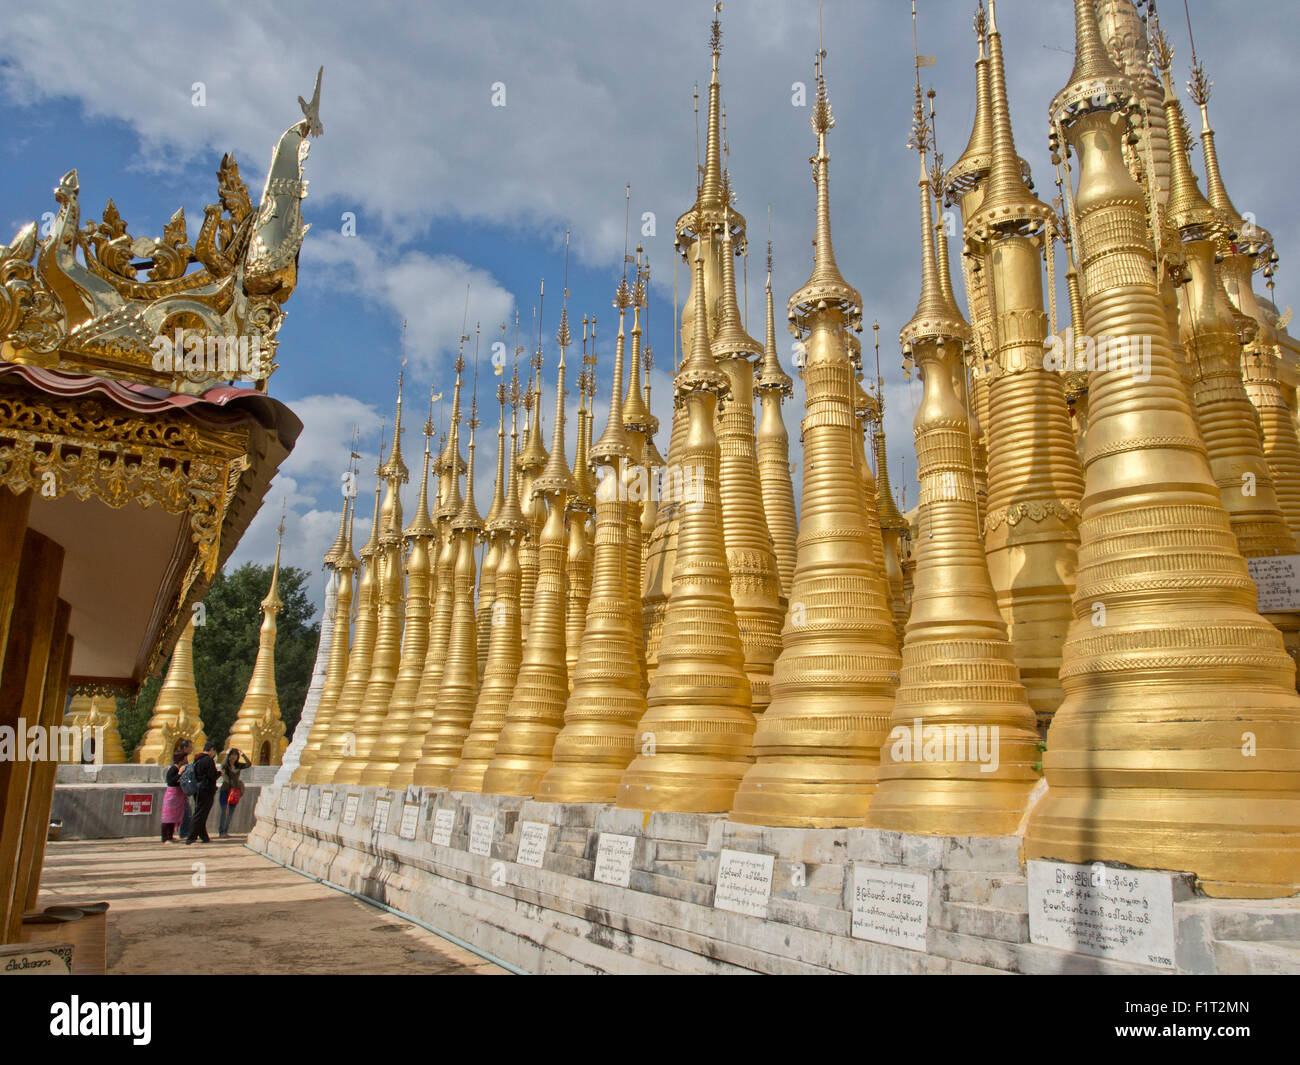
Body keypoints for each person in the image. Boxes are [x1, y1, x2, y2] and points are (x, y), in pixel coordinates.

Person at [185, 742, 220, 844]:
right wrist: (219, 773)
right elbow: (212, 776)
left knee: (201, 813)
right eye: (214, 751)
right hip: (206, 789)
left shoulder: (197, 759)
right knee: (200, 814)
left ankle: (204, 837)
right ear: (212, 750)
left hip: (198, 789)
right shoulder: (208, 760)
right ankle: (191, 837)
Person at [161, 741, 192, 844]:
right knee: (167, 818)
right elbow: (171, 781)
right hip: (172, 796)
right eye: (184, 759)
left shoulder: (179, 769)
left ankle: (170, 836)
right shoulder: (173, 769)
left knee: (174, 817)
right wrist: (179, 773)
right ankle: (165, 837)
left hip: (178, 797)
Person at [217, 747, 252, 838]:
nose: (233, 757)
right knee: (225, 811)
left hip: (235, 792)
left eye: (235, 755)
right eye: (232, 755)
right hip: (226, 790)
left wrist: (243, 754)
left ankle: (226, 830)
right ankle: (221, 831)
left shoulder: (238, 765)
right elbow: (223, 764)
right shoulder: (226, 766)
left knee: (231, 812)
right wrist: (226, 755)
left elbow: (248, 764)